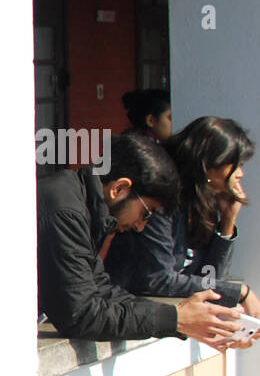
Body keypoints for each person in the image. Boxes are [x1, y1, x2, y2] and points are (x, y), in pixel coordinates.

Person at [37, 132, 240, 344]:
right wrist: (175, 319)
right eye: (147, 213)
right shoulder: (65, 212)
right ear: (120, 188)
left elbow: (102, 291)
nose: (141, 227)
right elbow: (81, 315)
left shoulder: (83, 205)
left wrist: (179, 318)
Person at [106, 116, 257, 314]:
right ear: (209, 163)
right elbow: (158, 278)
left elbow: (210, 280)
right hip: (129, 311)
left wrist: (228, 221)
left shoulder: (201, 203)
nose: (240, 174)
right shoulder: (159, 201)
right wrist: (239, 293)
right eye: (234, 165)